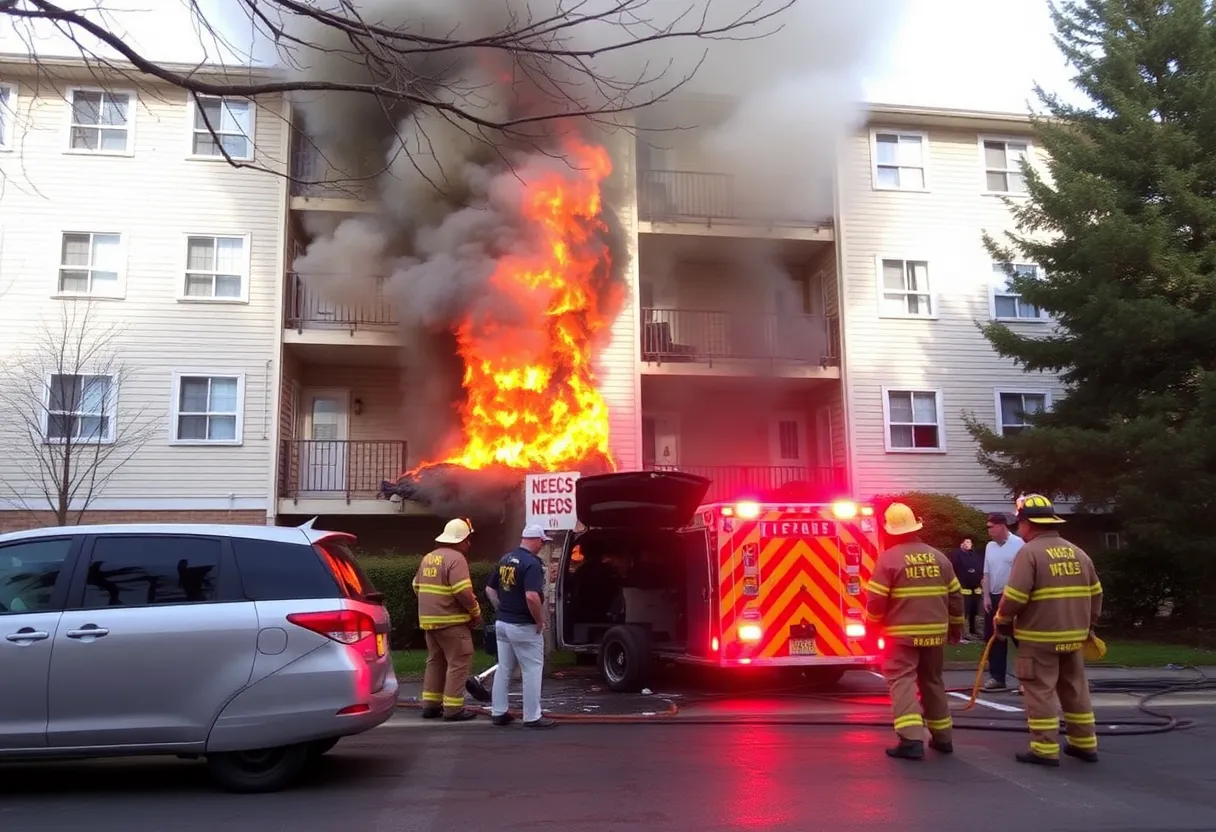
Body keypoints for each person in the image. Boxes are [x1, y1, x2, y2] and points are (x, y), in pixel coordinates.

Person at [993, 494, 1103, 766]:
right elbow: (1096, 593)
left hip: (1039, 640)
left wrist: (1002, 620)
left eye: (1020, 523)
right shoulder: (1077, 552)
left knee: (1040, 691)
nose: (1019, 528)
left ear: (1029, 523)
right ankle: (1084, 743)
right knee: (1075, 689)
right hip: (1074, 637)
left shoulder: (1029, 553)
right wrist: (1089, 625)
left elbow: (1015, 596)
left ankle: (1044, 748)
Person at [866, 502, 965, 760]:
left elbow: (876, 601)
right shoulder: (938, 557)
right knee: (933, 681)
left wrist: (872, 627)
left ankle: (911, 740)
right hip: (935, 634)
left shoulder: (889, 559)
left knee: (902, 681)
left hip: (901, 636)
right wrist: (956, 627)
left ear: (889, 531)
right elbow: (956, 596)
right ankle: (943, 738)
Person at [486, 524, 558, 729]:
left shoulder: (505, 559)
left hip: (503, 623)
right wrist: (539, 620)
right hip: (523, 626)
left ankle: (498, 712)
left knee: (504, 668)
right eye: (542, 542)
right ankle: (532, 716)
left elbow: (490, 590)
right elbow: (532, 596)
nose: (542, 546)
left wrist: (502, 609)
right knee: (532, 669)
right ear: (534, 540)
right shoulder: (532, 564)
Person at [413, 517, 483, 722]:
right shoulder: (456, 558)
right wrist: (475, 612)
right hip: (452, 622)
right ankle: (453, 709)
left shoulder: (429, 557)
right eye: (468, 539)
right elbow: (462, 591)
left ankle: (431, 706)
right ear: (460, 540)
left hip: (429, 622)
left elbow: (416, 585)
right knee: (458, 662)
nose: (469, 543)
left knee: (435, 661)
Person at [981, 512, 1023, 690]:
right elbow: (987, 573)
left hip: (1012, 597)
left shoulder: (1019, 544)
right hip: (994, 597)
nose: (989, 530)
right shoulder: (990, 546)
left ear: (1002, 526)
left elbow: (1022, 573)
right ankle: (997, 677)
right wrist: (986, 596)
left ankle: (1026, 680)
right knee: (994, 637)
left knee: (1019, 637)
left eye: (991, 527)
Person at [948, 537, 984, 640]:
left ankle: (975, 630)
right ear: (961, 544)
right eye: (967, 542)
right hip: (963, 589)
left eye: (970, 542)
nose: (969, 544)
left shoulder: (975, 555)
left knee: (975, 611)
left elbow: (980, 566)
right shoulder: (956, 555)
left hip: (976, 589)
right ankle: (964, 632)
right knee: (965, 611)